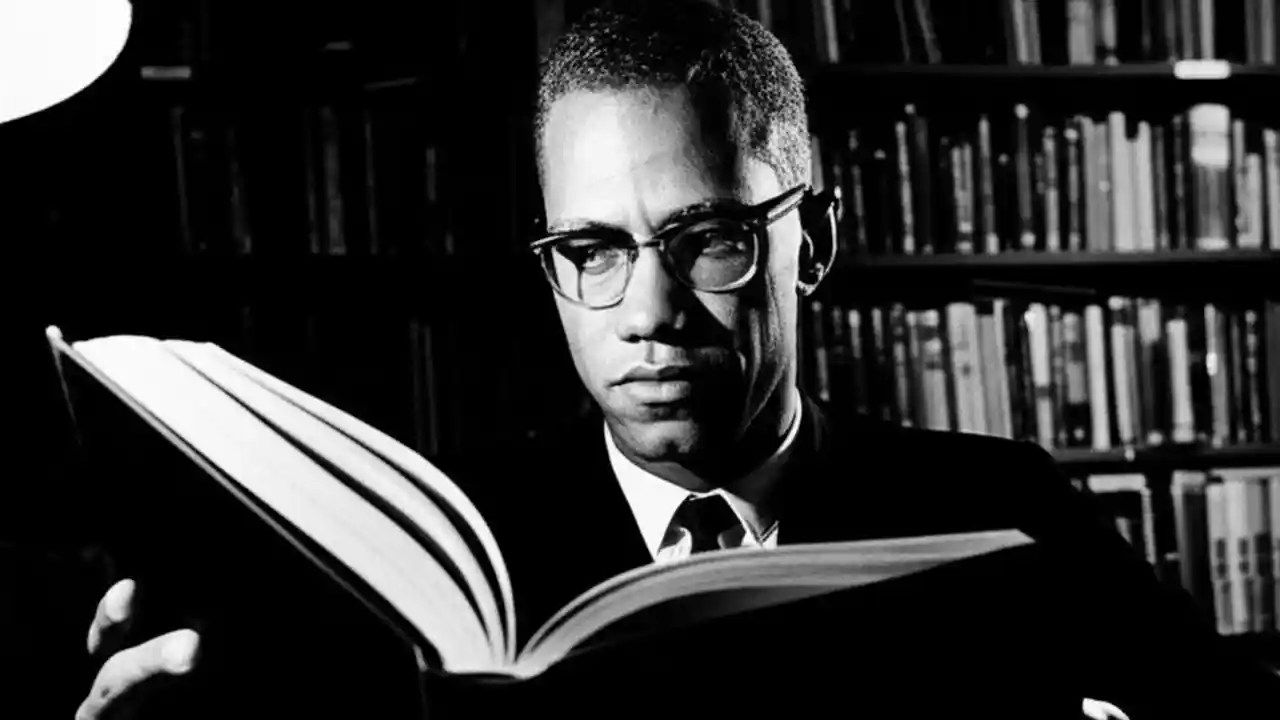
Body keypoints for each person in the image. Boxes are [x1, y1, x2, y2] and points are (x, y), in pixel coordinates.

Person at [74, 1, 1279, 719]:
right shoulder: (441, 558)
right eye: (591, 250)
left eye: (707, 239)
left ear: (813, 244)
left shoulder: (1006, 515)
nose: (648, 311)